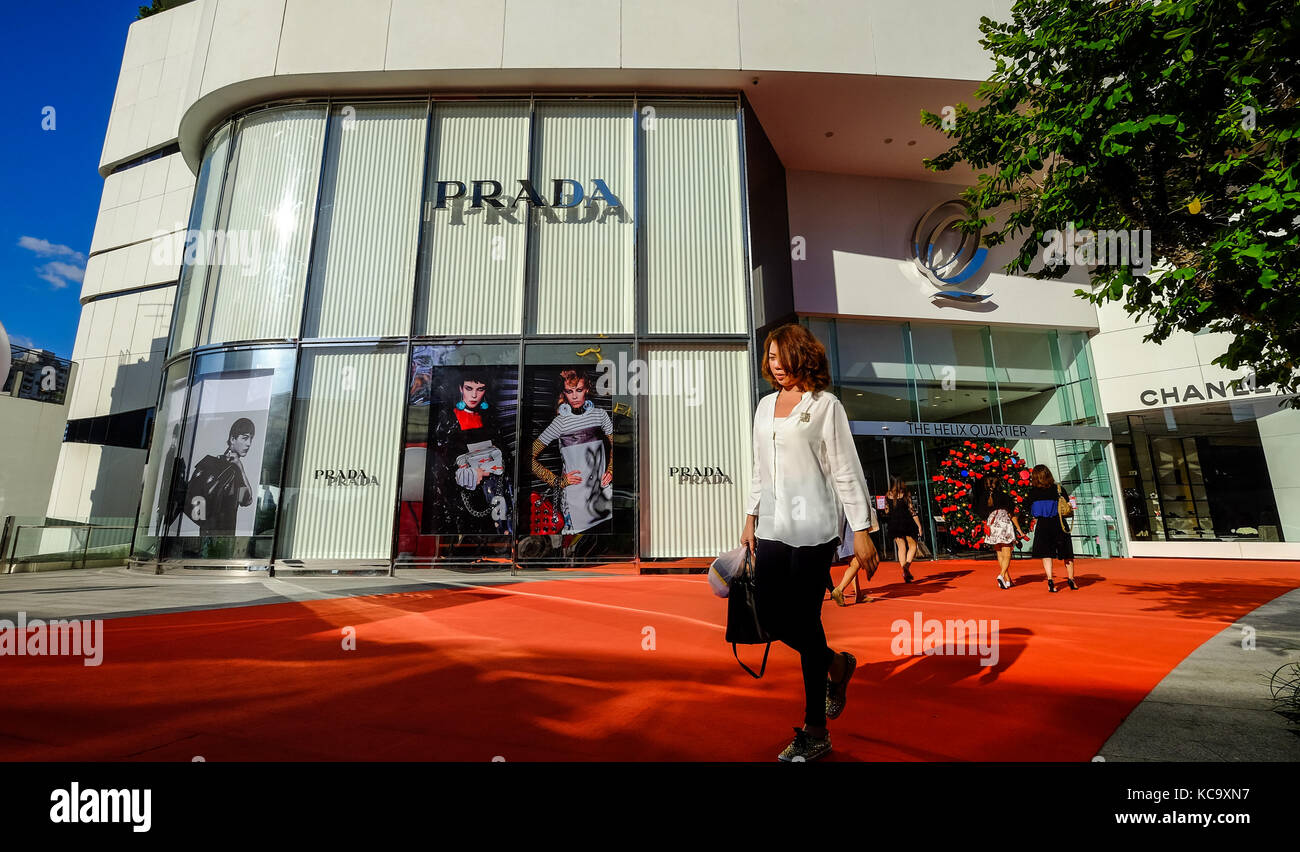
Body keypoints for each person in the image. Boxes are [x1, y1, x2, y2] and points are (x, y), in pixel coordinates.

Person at [741, 323, 879, 762]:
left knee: (805, 620)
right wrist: (750, 516)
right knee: (769, 616)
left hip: (815, 529)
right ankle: (836, 664)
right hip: (772, 527)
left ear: (803, 356)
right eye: (771, 357)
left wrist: (862, 529)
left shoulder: (825, 405)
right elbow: (759, 467)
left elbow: (845, 467)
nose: (777, 365)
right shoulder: (765, 406)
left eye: (783, 357)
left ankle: (815, 730)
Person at [428, 370, 513, 537]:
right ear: (461, 388)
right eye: (469, 388)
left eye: (480, 389)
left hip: (493, 492)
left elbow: (504, 454)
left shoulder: (490, 418)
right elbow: (440, 462)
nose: (474, 395)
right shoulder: (447, 420)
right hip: (462, 497)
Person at [530, 369, 614, 534]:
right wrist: (557, 481)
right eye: (569, 391)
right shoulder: (559, 423)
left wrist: (611, 469)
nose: (574, 396)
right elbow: (528, 457)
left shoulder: (600, 415)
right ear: (564, 393)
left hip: (602, 495)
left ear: (587, 389)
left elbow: (615, 445)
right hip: (575, 501)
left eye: (579, 390)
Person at [185, 417, 256, 538]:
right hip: (218, 537)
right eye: (244, 438)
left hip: (215, 535)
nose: (248, 444)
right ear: (232, 439)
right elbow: (247, 500)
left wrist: (240, 467)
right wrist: (240, 467)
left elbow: (246, 500)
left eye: (251, 439)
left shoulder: (231, 469)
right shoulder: (223, 468)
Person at [1026, 464, 1076, 592]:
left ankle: (1050, 580)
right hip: (1059, 522)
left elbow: (1027, 508)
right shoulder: (1058, 489)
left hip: (1043, 524)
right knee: (1066, 552)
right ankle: (1071, 579)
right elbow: (1068, 504)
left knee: (1046, 553)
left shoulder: (1032, 492)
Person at [830, 511, 880, 605]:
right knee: (857, 562)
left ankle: (858, 595)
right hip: (852, 525)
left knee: (853, 563)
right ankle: (839, 589)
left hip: (843, 525)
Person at [981, 476, 1018, 589]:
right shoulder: (1004, 496)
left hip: (992, 524)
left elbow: (981, 512)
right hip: (1003, 522)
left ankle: (1007, 580)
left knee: (999, 552)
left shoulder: (984, 498)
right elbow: (1011, 514)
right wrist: (1019, 530)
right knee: (1007, 552)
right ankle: (1001, 575)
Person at [884, 476, 921, 583]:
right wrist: (919, 525)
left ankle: (904, 568)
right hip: (907, 522)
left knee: (901, 547)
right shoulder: (905, 494)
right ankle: (906, 567)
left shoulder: (887, 495)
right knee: (913, 545)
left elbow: (886, 511)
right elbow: (912, 511)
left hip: (894, 523)